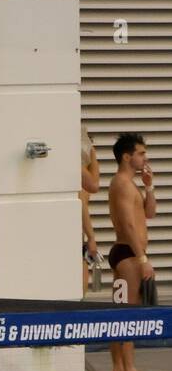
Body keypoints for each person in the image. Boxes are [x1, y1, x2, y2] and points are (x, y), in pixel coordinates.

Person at [106, 132, 158, 371]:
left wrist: (149, 186)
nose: (144, 157)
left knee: (122, 313)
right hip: (128, 254)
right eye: (140, 153)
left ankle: (121, 370)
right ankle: (126, 370)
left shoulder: (132, 184)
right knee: (127, 315)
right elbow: (127, 224)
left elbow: (149, 214)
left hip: (128, 254)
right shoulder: (121, 184)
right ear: (127, 157)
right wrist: (142, 258)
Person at [82, 124, 101, 293]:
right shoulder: (78, 168)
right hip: (75, 238)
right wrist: (91, 238)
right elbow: (94, 185)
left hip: (77, 236)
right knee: (80, 290)